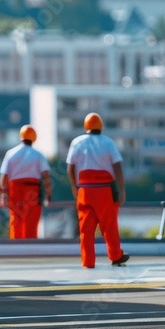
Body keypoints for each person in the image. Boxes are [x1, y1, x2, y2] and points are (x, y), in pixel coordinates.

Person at [66, 112, 129, 269]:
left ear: (85, 126)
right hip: (104, 190)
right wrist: (121, 190)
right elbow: (117, 167)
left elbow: (70, 168)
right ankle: (115, 256)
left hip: (84, 191)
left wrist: (74, 187)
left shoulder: (77, 142)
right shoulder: (108, 143)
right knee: (109, 226)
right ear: (101, 126)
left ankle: (88, 261)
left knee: (86, 229)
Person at [0, 125, 52, 239]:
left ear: (21, 136)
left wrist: (3, 195)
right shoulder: (38, 154)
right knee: (31, 220)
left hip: (15, 190)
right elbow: (46, 177)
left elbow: (4, 177)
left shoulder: (11, 153)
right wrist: (48, 195)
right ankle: (30, 248)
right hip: (32, 191)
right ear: (34, 138)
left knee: (16, 220)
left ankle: (15, 248)